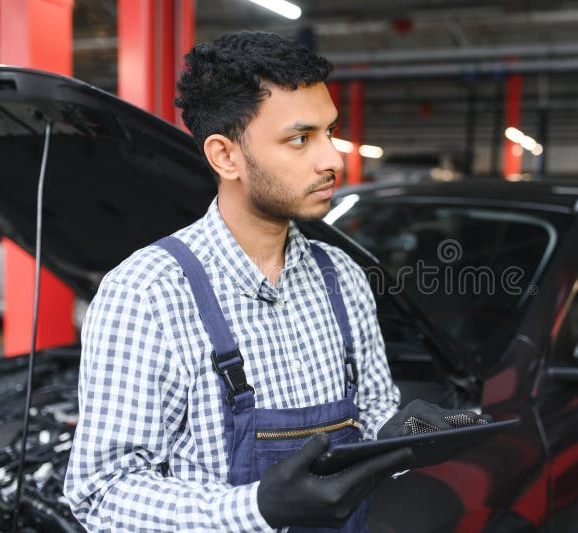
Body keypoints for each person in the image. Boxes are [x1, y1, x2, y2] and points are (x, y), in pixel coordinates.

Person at [64, 31, 489, 532]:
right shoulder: (147, 294)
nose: (332, 159)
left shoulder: (343, 278)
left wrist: (395, 437)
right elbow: (102, 493)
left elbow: (369, 414)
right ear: (225, 157)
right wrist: (256, 510)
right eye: (300, 138)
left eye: (329, 132)